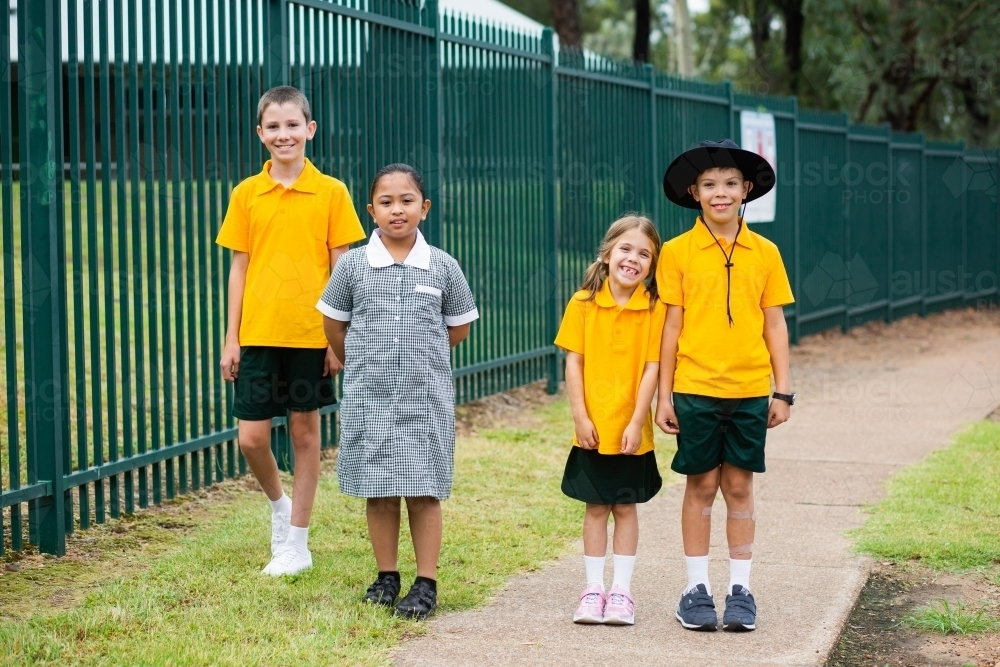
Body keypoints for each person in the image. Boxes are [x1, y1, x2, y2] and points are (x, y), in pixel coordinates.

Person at [317, 164, 479, 620]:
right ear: (371, 211)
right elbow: (333, 321)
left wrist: (417, 353)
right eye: (386, 202)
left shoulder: (443, 265)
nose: (397, 210)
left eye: (407, 201)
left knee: (425, 489)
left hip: (425, 398)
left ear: (424, 208)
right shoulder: (352, 266)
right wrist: (365, 358)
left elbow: (459, 327)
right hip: (370, 397)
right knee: (379, 489)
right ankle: (387, 575)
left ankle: (425, 583)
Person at [217, 86, 366, 576]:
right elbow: (239, 267)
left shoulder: (332, 192)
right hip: (259, 333)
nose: (285, 135)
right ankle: (280, 508)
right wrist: (231, 336)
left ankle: (297, 543)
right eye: (274, 127)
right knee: (252, 439)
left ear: (310, 129)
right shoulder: (245, 193)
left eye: (293, 125)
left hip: (311, 334)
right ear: (261, 134)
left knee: (305, 433)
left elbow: (341, 267)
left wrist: (336, 338)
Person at [655, 139, 795, 632]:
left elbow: (774, 322)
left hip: (752, 389)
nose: (721, 193)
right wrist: (664, 395)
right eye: (710, 185)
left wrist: (783, 389)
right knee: (701, 485)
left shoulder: (766, 252)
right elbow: (670, 326)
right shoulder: (675, 252)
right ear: (694, 193)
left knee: (739, 485)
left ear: (746, 190)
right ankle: (696, 590)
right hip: (695, 387)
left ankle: (741, 590)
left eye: (731, 184)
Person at [555, 215, 666, 626]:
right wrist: (581, 417)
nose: (633, 258)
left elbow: (653, 368)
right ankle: (592, 590)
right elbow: (574, 364)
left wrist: (638, 422)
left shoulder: (655, 309)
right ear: (606, 254)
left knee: (625, 505)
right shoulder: (582, 303)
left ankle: (621, 591)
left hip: (630, 429)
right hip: (593, 427)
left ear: (652, 266)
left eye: (644, 254)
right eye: (625, 249)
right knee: (596, 506)